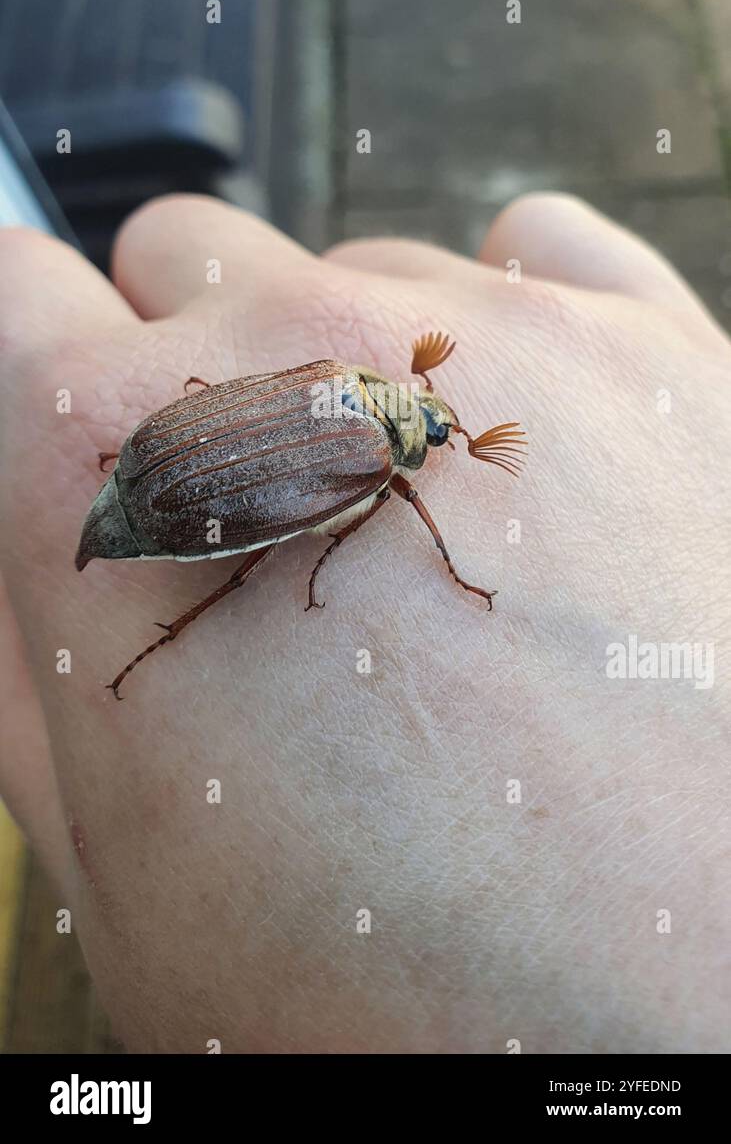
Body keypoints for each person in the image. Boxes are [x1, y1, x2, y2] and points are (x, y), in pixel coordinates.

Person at [0, 191, 728, 1054]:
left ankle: (154, 578)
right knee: (259, 567)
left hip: (164, 460)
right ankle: (168, 630)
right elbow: (346, 509)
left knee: (268, 553)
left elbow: (253, 404)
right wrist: (444, 570)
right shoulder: (375, 465)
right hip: (173, 497)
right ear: (411, 430)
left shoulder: (333, 380)